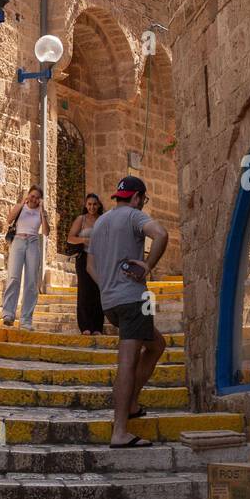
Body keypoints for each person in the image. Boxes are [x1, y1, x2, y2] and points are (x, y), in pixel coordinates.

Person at [86, 175, 168, 448]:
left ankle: (131, 403)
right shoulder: (134, 216)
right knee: (127, 362)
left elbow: (90, 266)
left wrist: (108, 286)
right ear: (136, 197)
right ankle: (120, 431)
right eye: (142, 199)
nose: (142, 204)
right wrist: (147, 265)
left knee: (156, 345)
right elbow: (161, 234)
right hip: (133, 300)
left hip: (109, 302)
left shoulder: (100, 222)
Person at [1, 185, 49, 329]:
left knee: (31, 282)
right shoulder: (20, 207)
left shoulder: (41, 212)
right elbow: (9, 219)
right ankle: (8, 314)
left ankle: (26, 320)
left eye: (37, 198)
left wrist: (42, 212)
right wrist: (22, 203)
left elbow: (46, 232)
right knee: (13, 278)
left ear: (40, 200)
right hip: (18, 241)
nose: (34, 199)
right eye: (32, 196)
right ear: (28, 195)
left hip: (33, 243)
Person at [66, 194, 105, 334]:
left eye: (94, 204)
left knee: (98, 291)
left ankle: (97, 327)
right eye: (89, 204)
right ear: (85, 205)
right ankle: (85, 326)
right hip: (83, 258)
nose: (92, 207)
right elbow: (70, 238)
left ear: (99, 205)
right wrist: (84, 240)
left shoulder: (103, 219)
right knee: (84, 291)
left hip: (99, 258)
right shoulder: (81, 219)